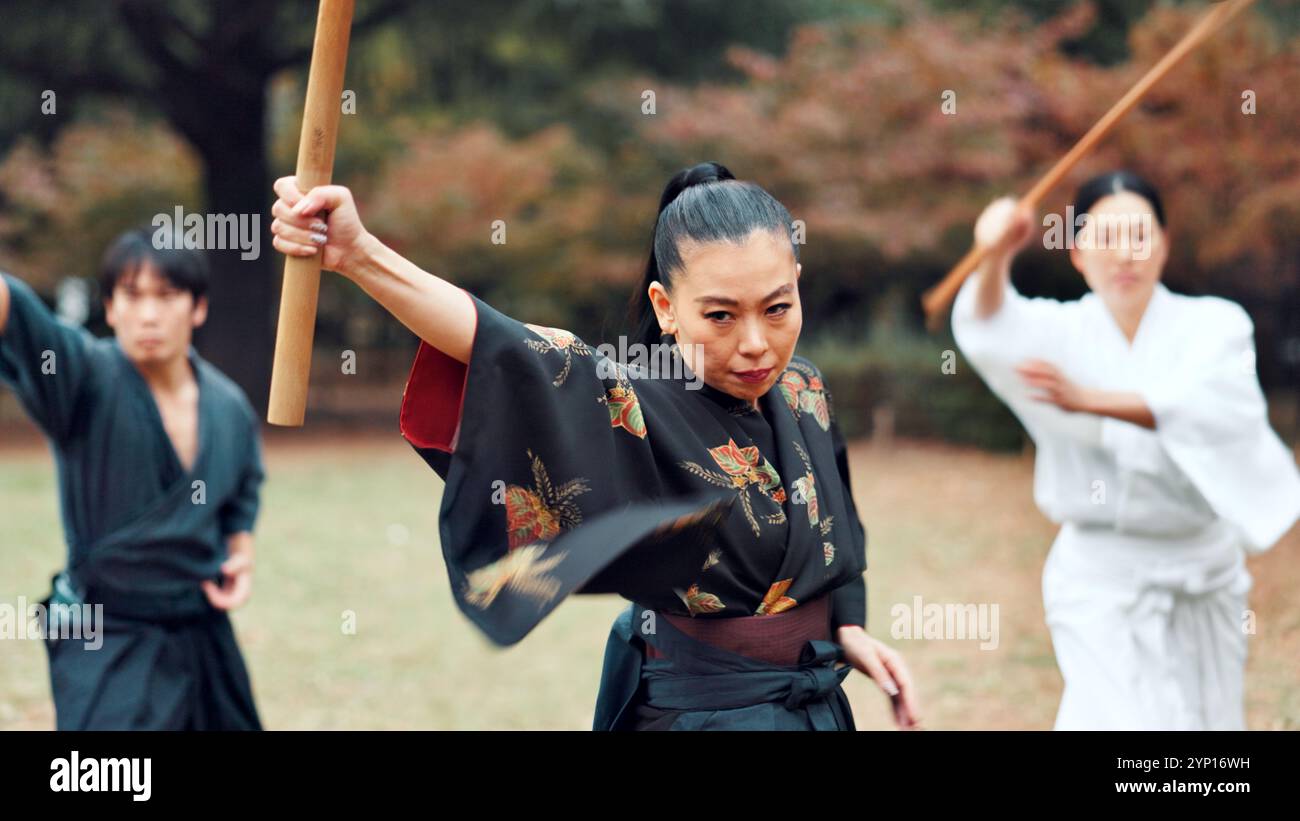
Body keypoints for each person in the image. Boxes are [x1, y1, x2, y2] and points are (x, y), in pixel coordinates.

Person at [269, 161, 921, 730]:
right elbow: (504, 344)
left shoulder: (805, 387)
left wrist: (848, 628)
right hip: (707, 711)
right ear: (666, 308)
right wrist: (358, 254)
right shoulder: (635, 400)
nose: (755, 342)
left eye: (777, 307)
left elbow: (837, 531)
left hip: (812, 704)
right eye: (720, 315)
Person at [951, 170, 1300, 730]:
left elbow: (1211, 408)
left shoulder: (1215, 326)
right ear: (1078, 254)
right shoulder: (1059, 333)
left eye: (1140, 235)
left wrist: (1092, 401)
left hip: (1202, 567)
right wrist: (993, 254)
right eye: (1105, 238)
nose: (1125, 255)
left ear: (1163, 243)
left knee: (1206, 739)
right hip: (1101, 574)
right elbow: (988, 326)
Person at [0, 229, 265, 730]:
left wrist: (242, 555)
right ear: (112, 307)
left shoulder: (228, 405)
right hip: (107, 631)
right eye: (132, 295)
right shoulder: (81, 376)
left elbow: (242, 492)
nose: (148, 315)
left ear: (198, 307)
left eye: (166, 296)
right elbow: (16, 313)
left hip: (202, 627)